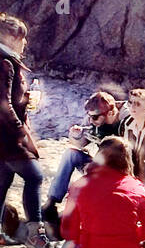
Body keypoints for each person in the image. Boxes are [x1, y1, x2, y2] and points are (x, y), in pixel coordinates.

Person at [0, 12, 47, 248]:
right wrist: (20, 131)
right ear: (9, 37)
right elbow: (2, 104)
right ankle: (36, 235)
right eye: (21, 37)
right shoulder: (4, 64)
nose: (24, 42)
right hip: (7, 135)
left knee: (2, 181)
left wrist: (26, 99)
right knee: (35, 177)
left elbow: (6, 99)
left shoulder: (2, 60)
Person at [41, 90, 129, 233]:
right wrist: (76, 136)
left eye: (95, 117)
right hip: (99, 164)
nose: (91, 120)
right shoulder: (94, 119)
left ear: (110, 113)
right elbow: (80, 144)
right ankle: (51, 202)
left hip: (119, 171)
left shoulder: (126, 122)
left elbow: (130, 158)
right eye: (89, 116)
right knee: (70, 154)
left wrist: (97, 166)